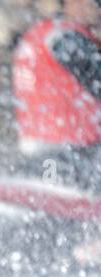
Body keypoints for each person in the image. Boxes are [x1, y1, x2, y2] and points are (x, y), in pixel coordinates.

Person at [13, 0, 101, 191]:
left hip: (40, 151)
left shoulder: (40, 32)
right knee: (50, 194)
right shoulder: (67, 39)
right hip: (67, 156)